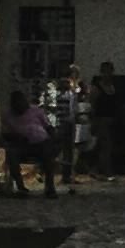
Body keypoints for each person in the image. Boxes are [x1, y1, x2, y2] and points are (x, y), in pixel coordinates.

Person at [3, 86, 55, 197]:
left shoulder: (36, 110)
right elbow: (6, 134)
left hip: (41, 142)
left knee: (48, 153)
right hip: (22, 144)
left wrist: (53, 138)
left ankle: (50, 187)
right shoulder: (9, 116)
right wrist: (17, 137)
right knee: (12, 155)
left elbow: (48, 126)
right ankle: (21, 187)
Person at [46, 63, 86, 192]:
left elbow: (74, 102)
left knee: (68, 149)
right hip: (60, 122)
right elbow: (52, 106)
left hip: (69, 121)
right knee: (58, 148)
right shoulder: (57, 88)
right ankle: (48, 171)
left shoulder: (72, 89)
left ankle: (66, 175)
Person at [89, 60, 123, 179]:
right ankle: (107, 172)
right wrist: (93, 121)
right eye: (105, 72)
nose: (108, 74)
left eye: (110, 71)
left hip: (113, 120)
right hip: (102, 120)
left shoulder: (114, 87)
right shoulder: (97, 88)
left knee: (104, 147)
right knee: (106, 147)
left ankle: (95, 169)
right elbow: (93, 105)